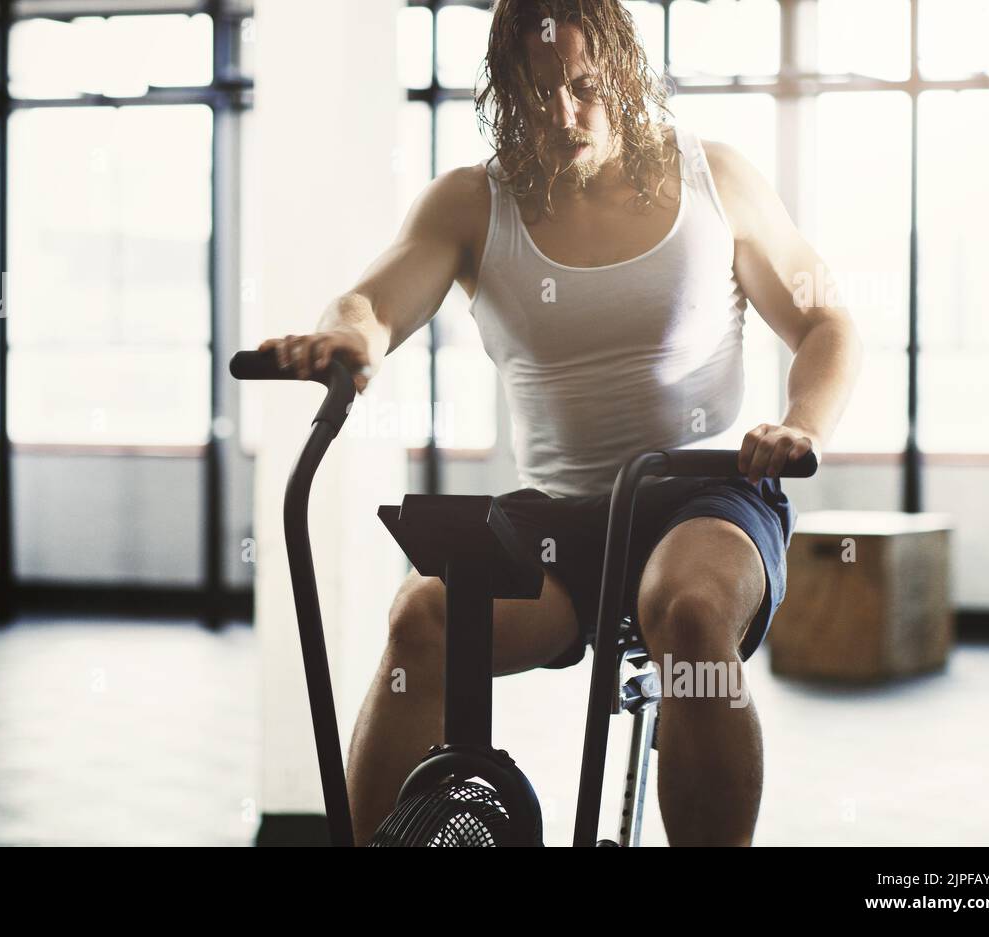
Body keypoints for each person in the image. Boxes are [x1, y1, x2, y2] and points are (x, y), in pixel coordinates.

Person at [258, 0, 861, 846]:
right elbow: (373, 301)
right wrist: (344, 339)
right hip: (557, 523)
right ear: (506, 95)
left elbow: (827, 321)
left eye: (583, 87)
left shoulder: (713, 180)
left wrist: (802, 425)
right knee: (420, 620)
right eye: (538, 94)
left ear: (622, 74)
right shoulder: (473, 203)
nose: (564, 115)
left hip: (705, 495)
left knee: (686, 611)